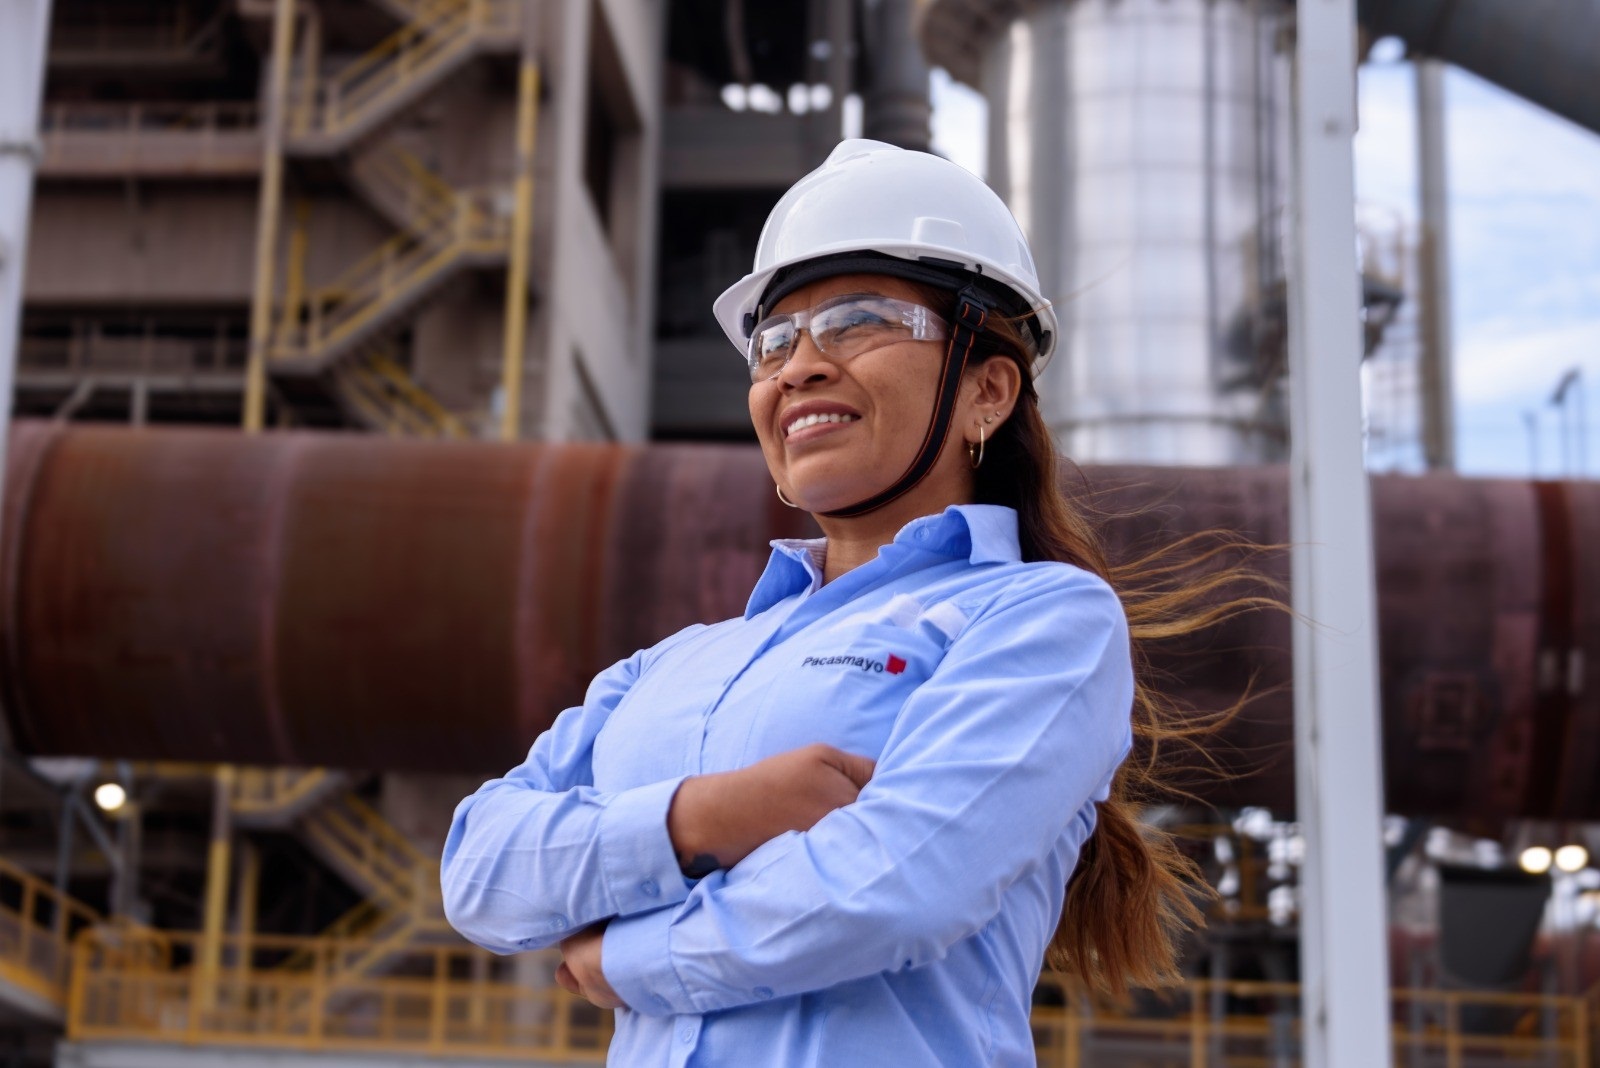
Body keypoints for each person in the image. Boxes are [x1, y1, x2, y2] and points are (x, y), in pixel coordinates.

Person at [441, 139, 1226, 1066]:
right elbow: (481, 868)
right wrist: (708, 818)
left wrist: (628, 954)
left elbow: (895, 888)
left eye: (859, 320)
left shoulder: (1043, 622)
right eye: (775, 341)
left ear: (989, 388)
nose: (798, 367)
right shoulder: (673, 665)